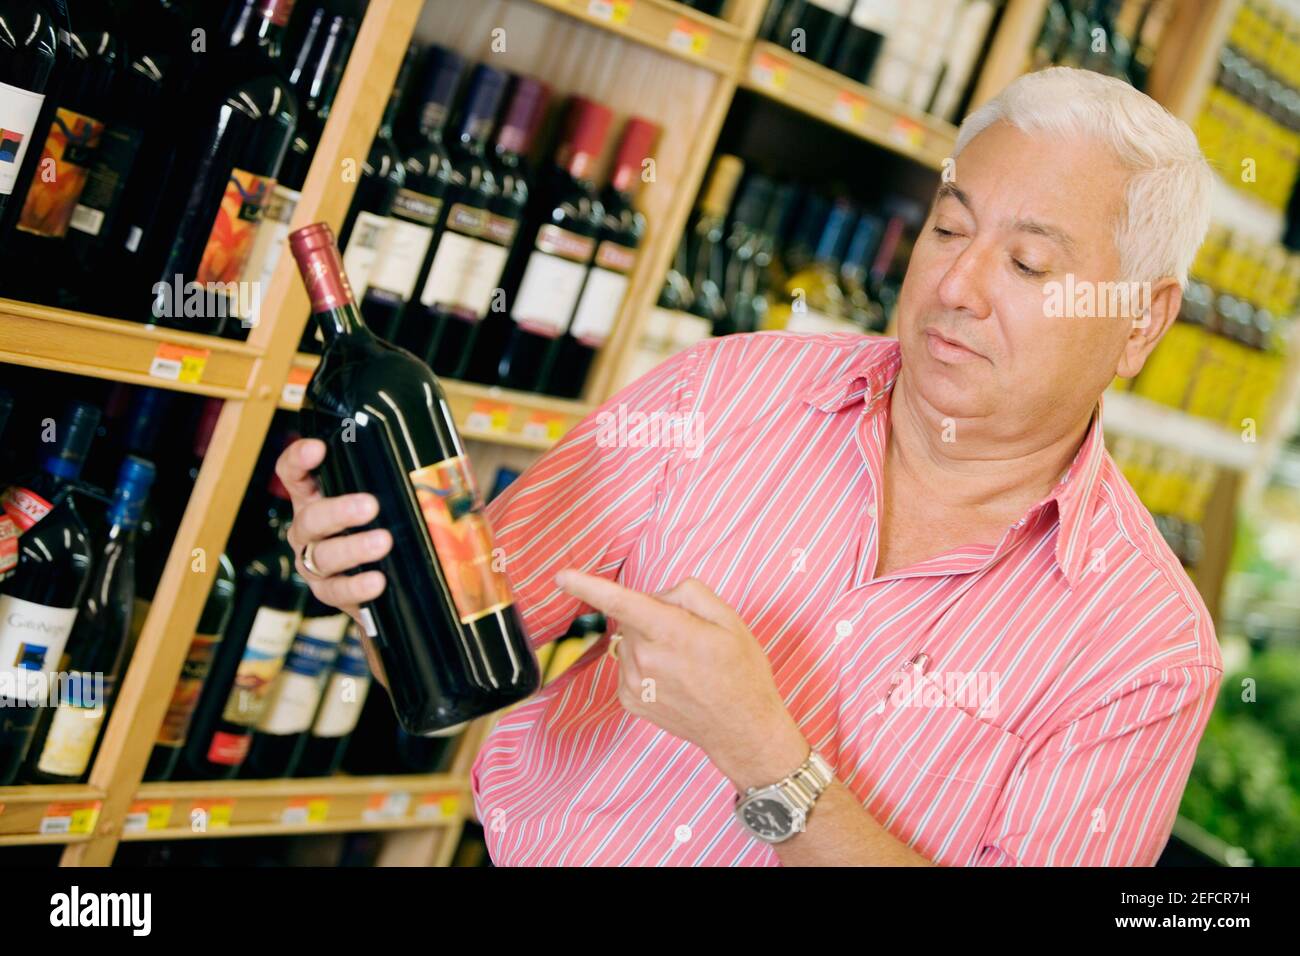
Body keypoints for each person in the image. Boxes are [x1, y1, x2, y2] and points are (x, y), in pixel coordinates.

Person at [275, 67, 1222, 866]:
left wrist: (768, 755)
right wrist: (376, 573)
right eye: (946, 228)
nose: (957, 287)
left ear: (1142, 319)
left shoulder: (1145, 653)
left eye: (1026, 265)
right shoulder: (719, 393)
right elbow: (461, 642)